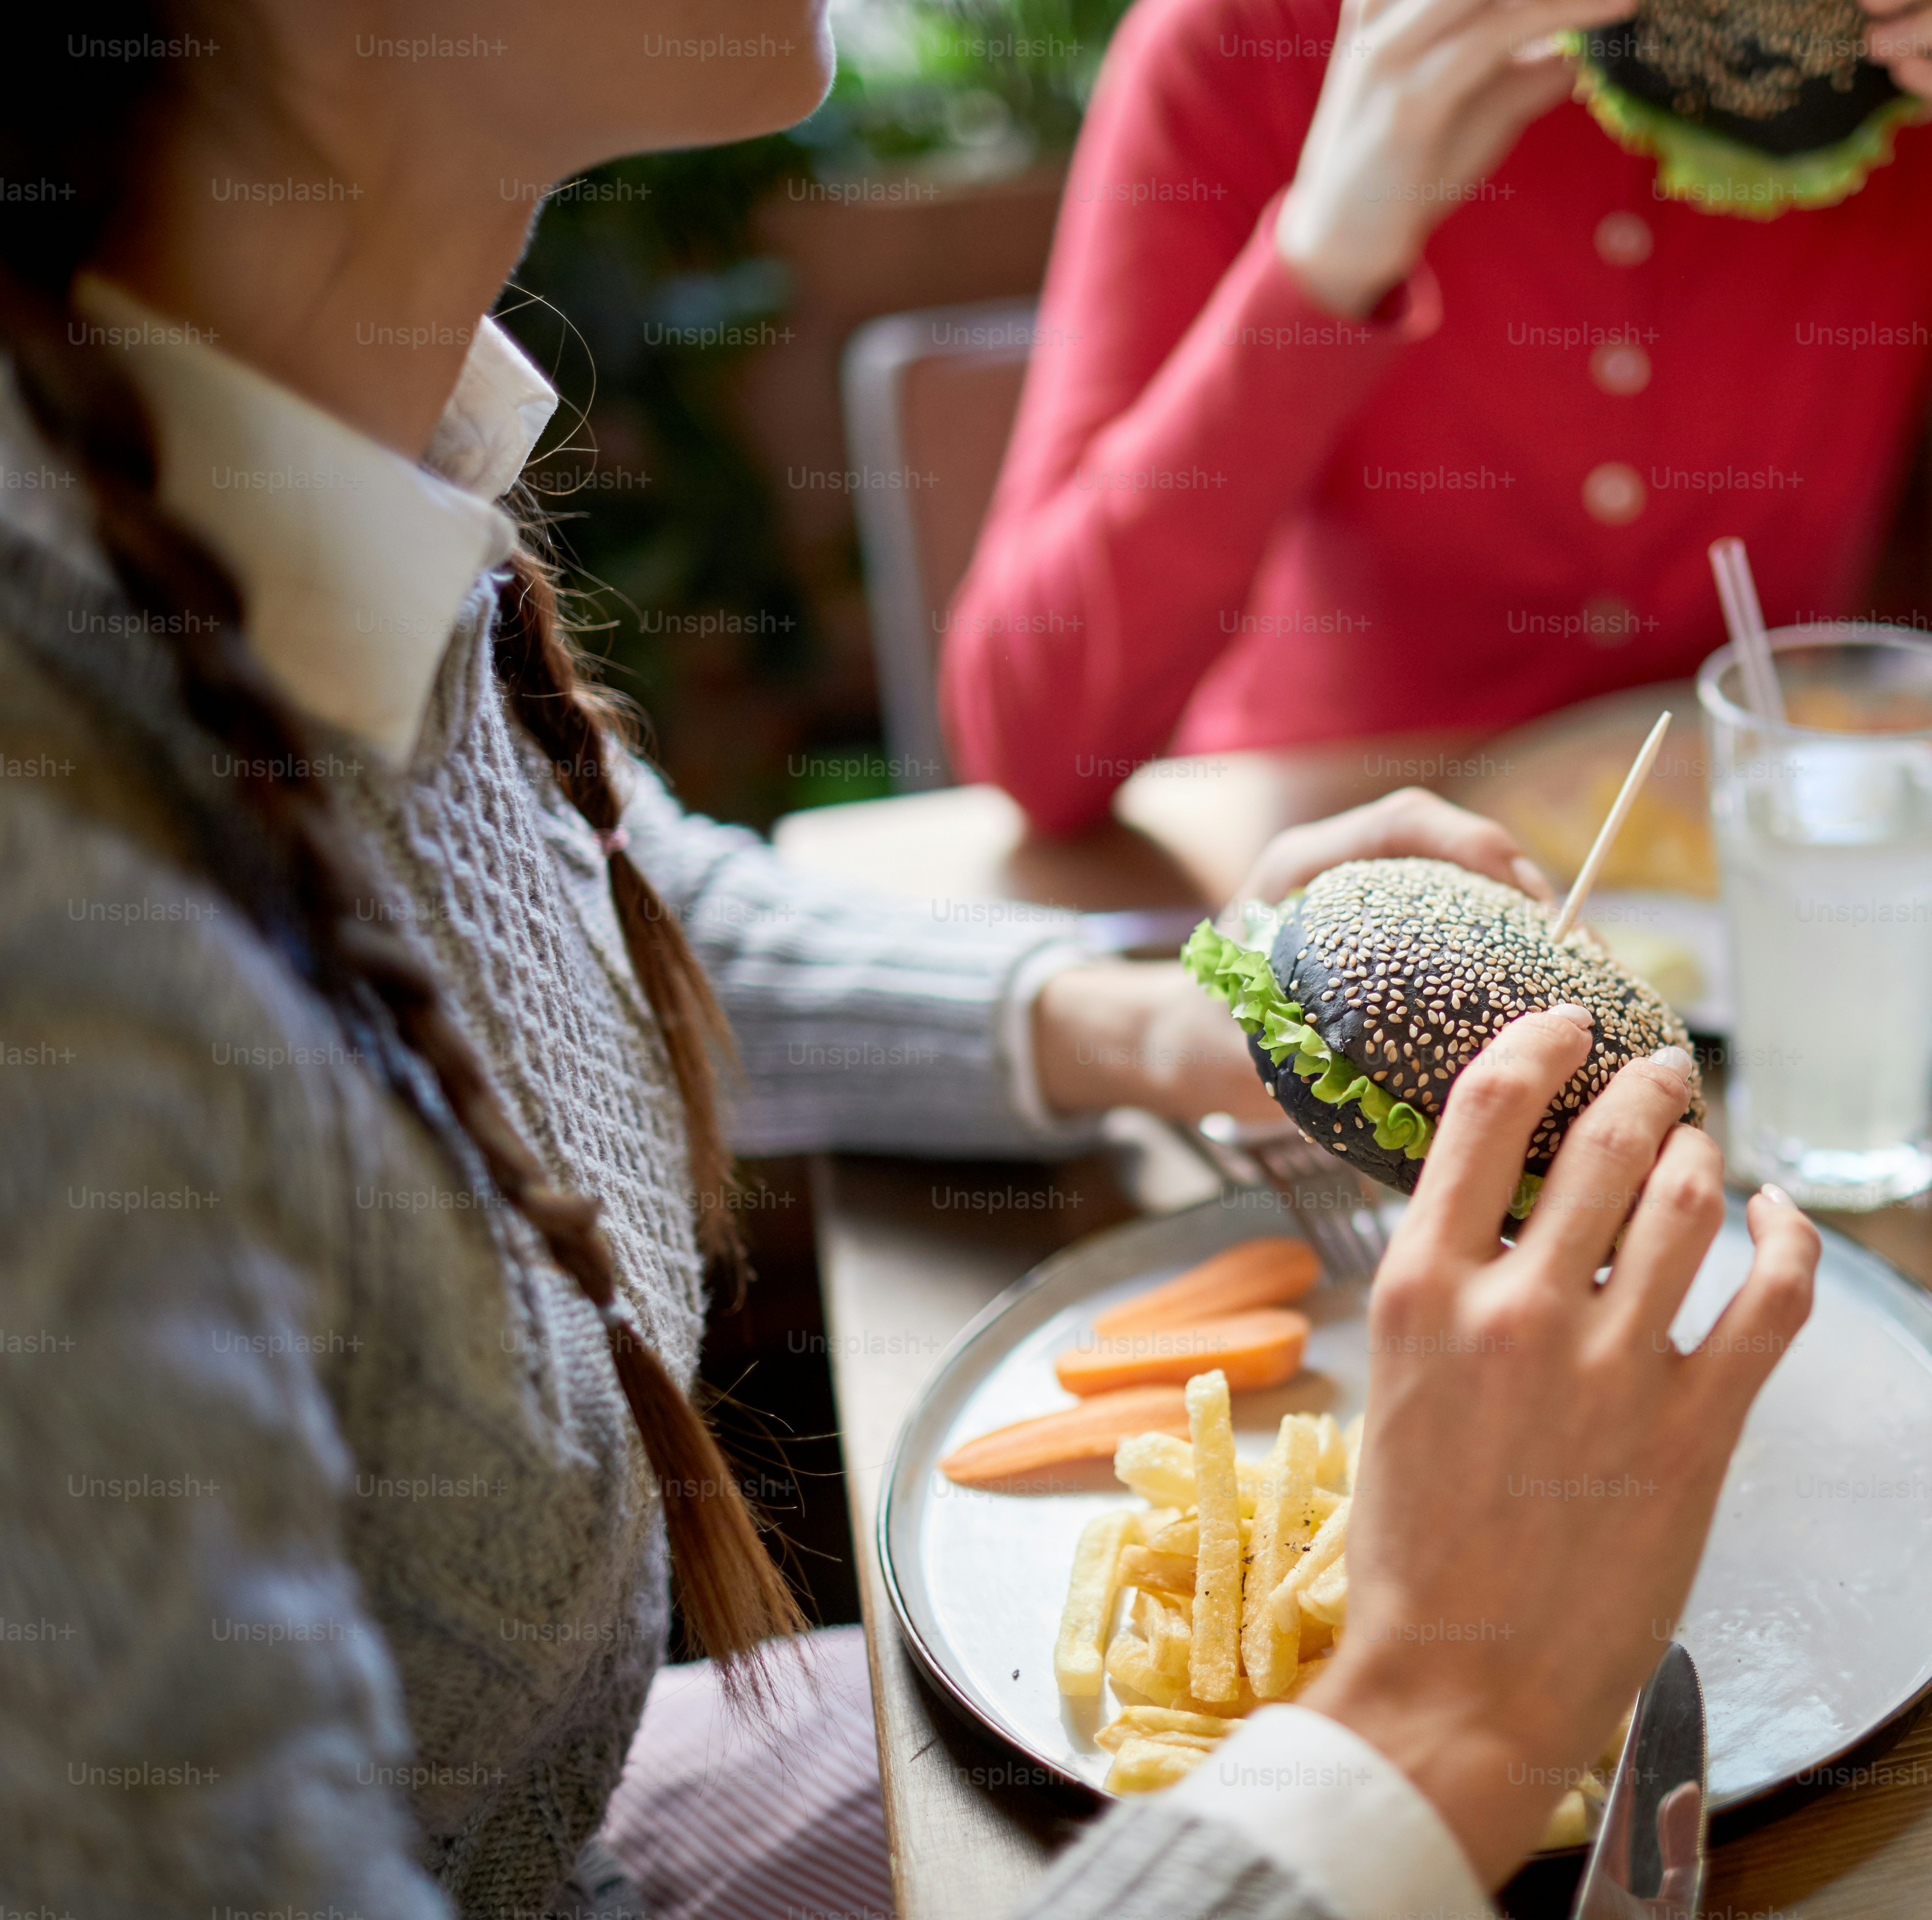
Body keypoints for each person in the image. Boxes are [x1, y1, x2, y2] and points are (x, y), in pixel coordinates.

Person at [0, 6, 1817, 1918]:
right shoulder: (63, 955)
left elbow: (579, 903)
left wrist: (1155, 1021)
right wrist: (1444, 1720)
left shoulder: (263, 473)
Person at [946, 0, 1932, 836]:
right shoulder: (1250, 41)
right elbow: (1032, 738)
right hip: (1329, 882)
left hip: (1774, 903)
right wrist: (1323, 257)